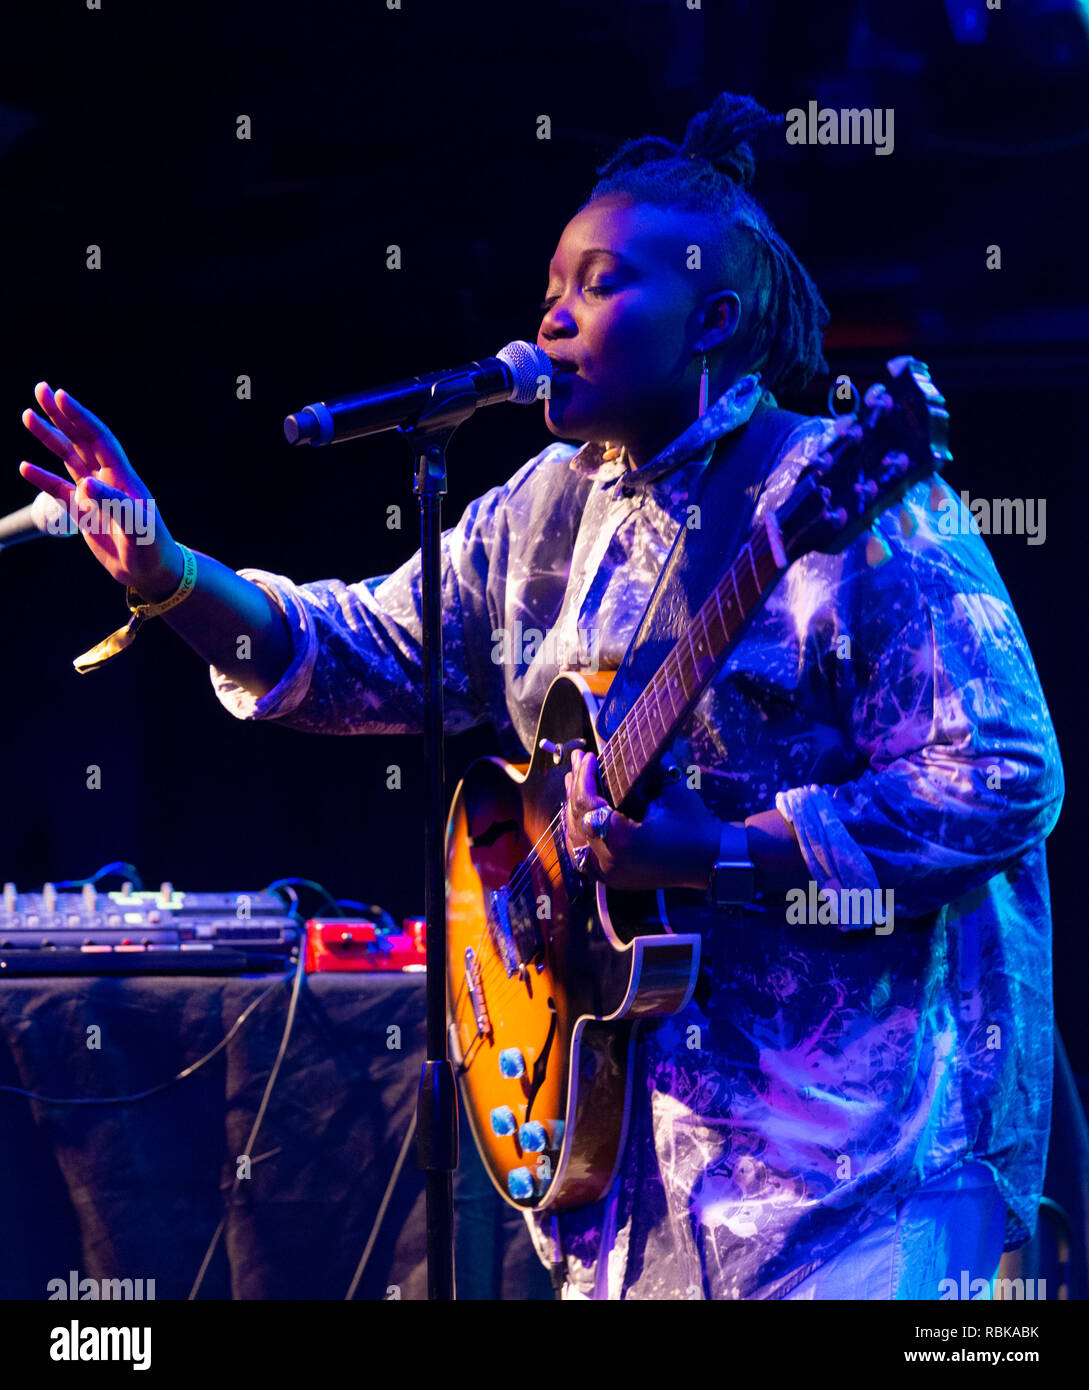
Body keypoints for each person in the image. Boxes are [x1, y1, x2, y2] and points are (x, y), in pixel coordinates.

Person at [17, 92, 1064, 1300]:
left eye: (601, 284)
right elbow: (354, 652)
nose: (552, 315)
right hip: (627, 1188)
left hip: (862, 1182)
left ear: (712, 319)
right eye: (551, 284)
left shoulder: (847, 492)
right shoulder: (546, 509)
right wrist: (168, 575)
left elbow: (1002, 777)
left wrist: (725, 852)